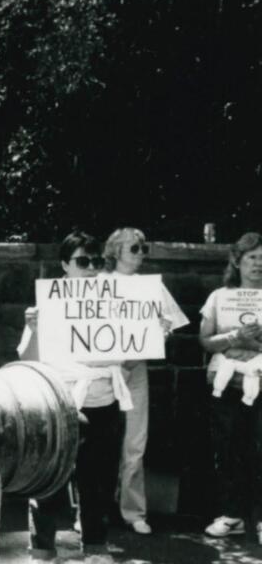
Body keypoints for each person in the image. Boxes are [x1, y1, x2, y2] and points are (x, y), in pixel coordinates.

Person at [20, 232, 131, 564]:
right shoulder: (49, 303)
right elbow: (25, 358)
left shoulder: (115, 299)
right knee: (51, 480)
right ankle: (41, 556)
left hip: (105, 401)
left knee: (99, 481)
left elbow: (129, 352)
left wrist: (152, 332)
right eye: (83, 261)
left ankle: (97, 552)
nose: (91, 268)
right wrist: (33, 328)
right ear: (65, 264)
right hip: (62, 402)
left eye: (97, 261)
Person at [102, 228, 189, 535]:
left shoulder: (151, 286)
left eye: (143, 248)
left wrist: (161, 332)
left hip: (135, 368)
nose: (140, 254)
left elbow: (170, 323)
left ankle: (133, 511)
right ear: (115, 250)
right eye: (134, 248)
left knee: (134, 443)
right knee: (99, 442)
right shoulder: (98, 283)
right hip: (103, 369)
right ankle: (92, 508)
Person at [200, 232, 262, 543]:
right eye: (252, 257)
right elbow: (206, 340)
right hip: (225, 382)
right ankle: (232, 514)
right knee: (226, 449)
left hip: (260, 381)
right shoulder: (218, 297)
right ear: (237, 261)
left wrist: (257, 342)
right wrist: (235, 337)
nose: (258, 264)